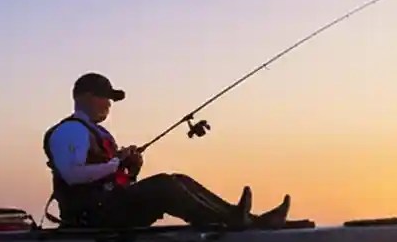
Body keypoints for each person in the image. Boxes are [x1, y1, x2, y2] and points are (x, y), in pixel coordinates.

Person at [43, 72, 292, 229]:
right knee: (164, 184)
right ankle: (228, 223)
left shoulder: (95, 133)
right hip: (92, 216)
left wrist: (130, 170)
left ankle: (243, 218)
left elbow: (108, 176)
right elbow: (73, 175)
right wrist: (116, 164)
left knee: (178, 180)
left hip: (109, 207)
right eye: (104, 97)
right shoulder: (70, 131)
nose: (109, 104)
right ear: (84, 96)